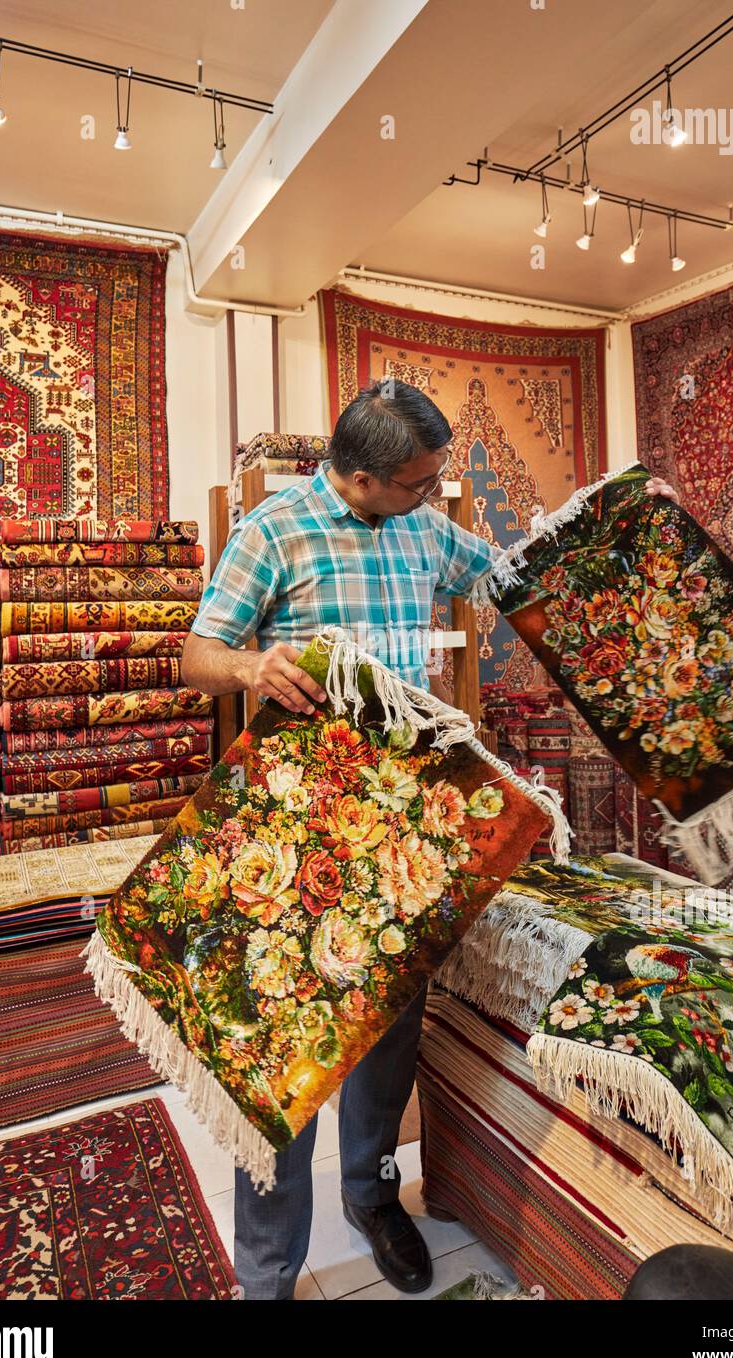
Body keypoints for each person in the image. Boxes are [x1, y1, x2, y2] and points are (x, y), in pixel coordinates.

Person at [181, 380, 678, 1300]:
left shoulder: (421, 525)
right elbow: (198, 656)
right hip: (304, 820)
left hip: (408, 818)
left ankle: (373, 1201)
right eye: (415, 482)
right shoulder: (274, 530)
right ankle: (266, 1271)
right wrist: (252, 664)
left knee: (384, 1027)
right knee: (282, 1039)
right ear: (360, 476)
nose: (429, 493)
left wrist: (618, 537)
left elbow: (505, 575)